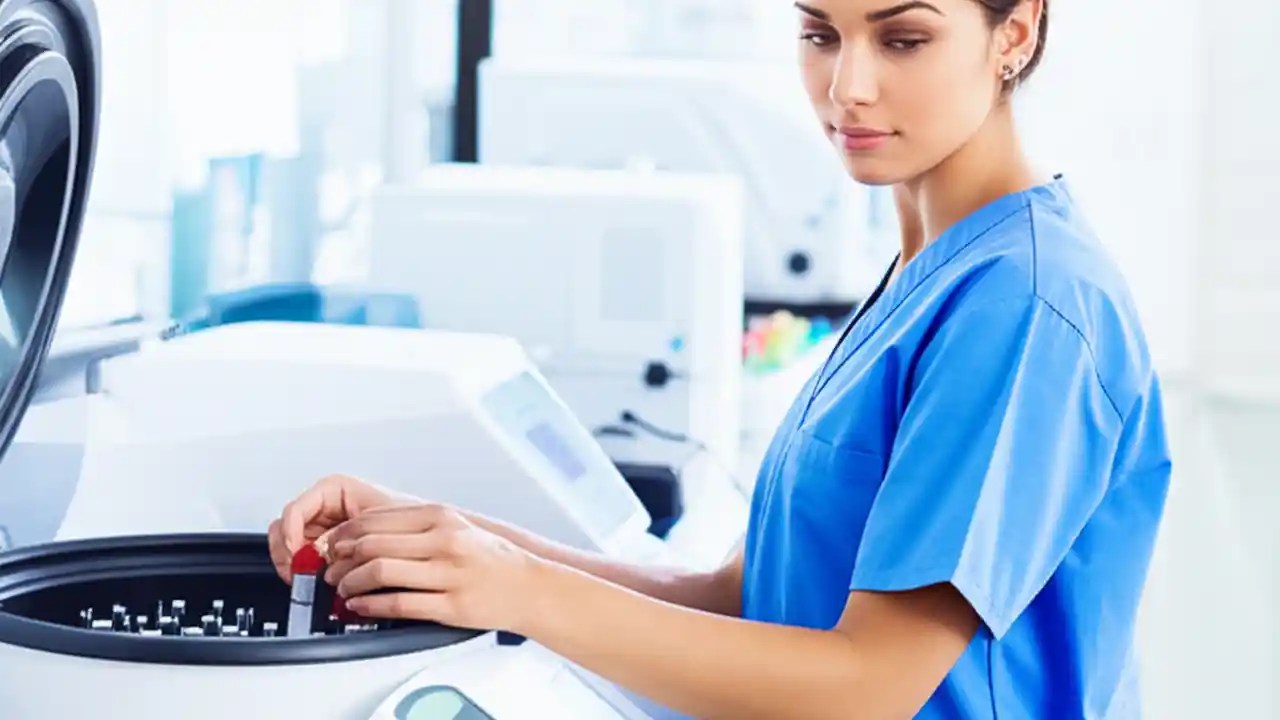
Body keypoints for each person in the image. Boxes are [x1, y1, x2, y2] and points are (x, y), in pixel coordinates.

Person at [268, 0, 1173, 716]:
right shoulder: (923, 271)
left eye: (901, 39)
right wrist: (454, 545)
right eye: (820, 33)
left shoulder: (1025, 304)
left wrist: (521, 592)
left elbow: (865, 687)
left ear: (1015, 32)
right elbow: (737, 596)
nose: (846, 86)